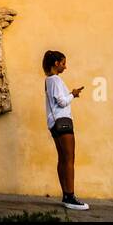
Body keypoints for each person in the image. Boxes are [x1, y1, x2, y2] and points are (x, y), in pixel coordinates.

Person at [43, 50, 89, 210]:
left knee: (62, 159)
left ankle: (66, 195)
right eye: (63, 63)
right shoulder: (55, 79)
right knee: (69, 159)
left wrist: (69, 94)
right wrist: (73, 94)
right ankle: (70, 196)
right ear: (56, 63)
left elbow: (57, 101)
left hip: (54, 122)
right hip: (63, 122)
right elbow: (62, 102)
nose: (65, 67)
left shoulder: (49, 80)